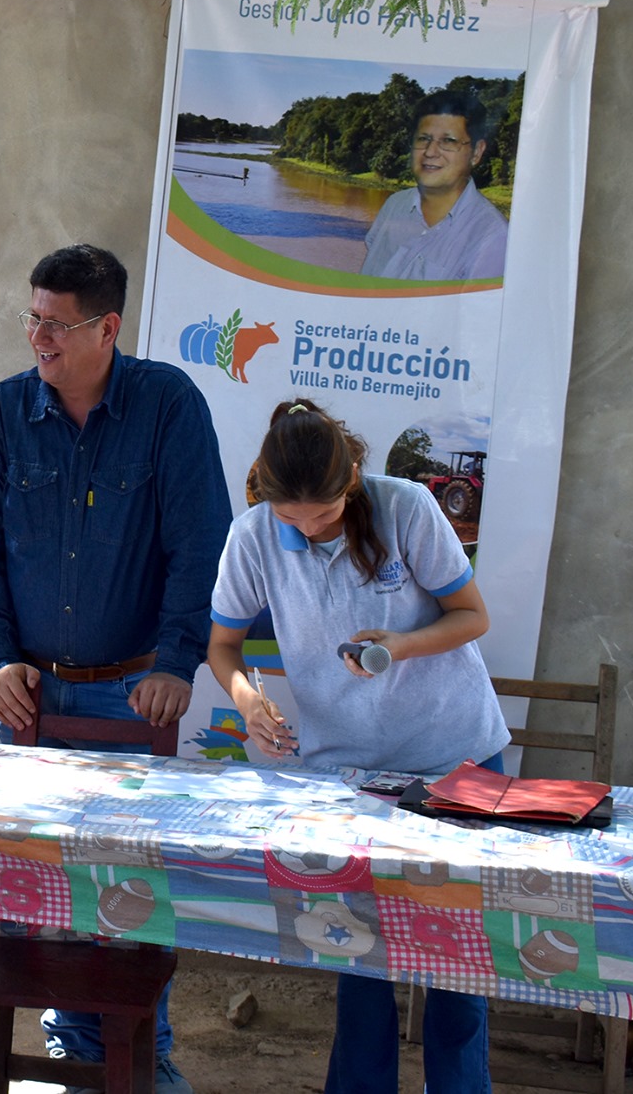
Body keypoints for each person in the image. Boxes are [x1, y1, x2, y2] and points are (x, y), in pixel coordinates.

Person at [0, 243, 230, 1094]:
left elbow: (199, 539)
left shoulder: (168, 405)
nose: (37, 337)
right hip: (29, 690)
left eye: (56, 324)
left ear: (108, 327)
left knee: (128, 885)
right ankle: (69, 1051)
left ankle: (144, 1056)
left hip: (131, 688)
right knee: (29, 877)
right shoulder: (6, 412)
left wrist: (178, 661)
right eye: (31, 317)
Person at [208, 399, 509, 1094]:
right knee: (359, 961)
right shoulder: (253, 535)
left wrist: (399, 642)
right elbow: (222, 646)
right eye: (295, 518)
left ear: (351, 482)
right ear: (265, 490)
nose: (312, 529)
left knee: (455, 970)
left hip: (452, 755)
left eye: (327, 513)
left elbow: (473, 614)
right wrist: (249, 699)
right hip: (343, 772)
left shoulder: (405, 508)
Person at [361, 88, 511, 281]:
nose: (430, 152)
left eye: (448, 141)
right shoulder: (394, 205)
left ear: (476, 152)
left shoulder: (492, 238)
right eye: (423, 139)